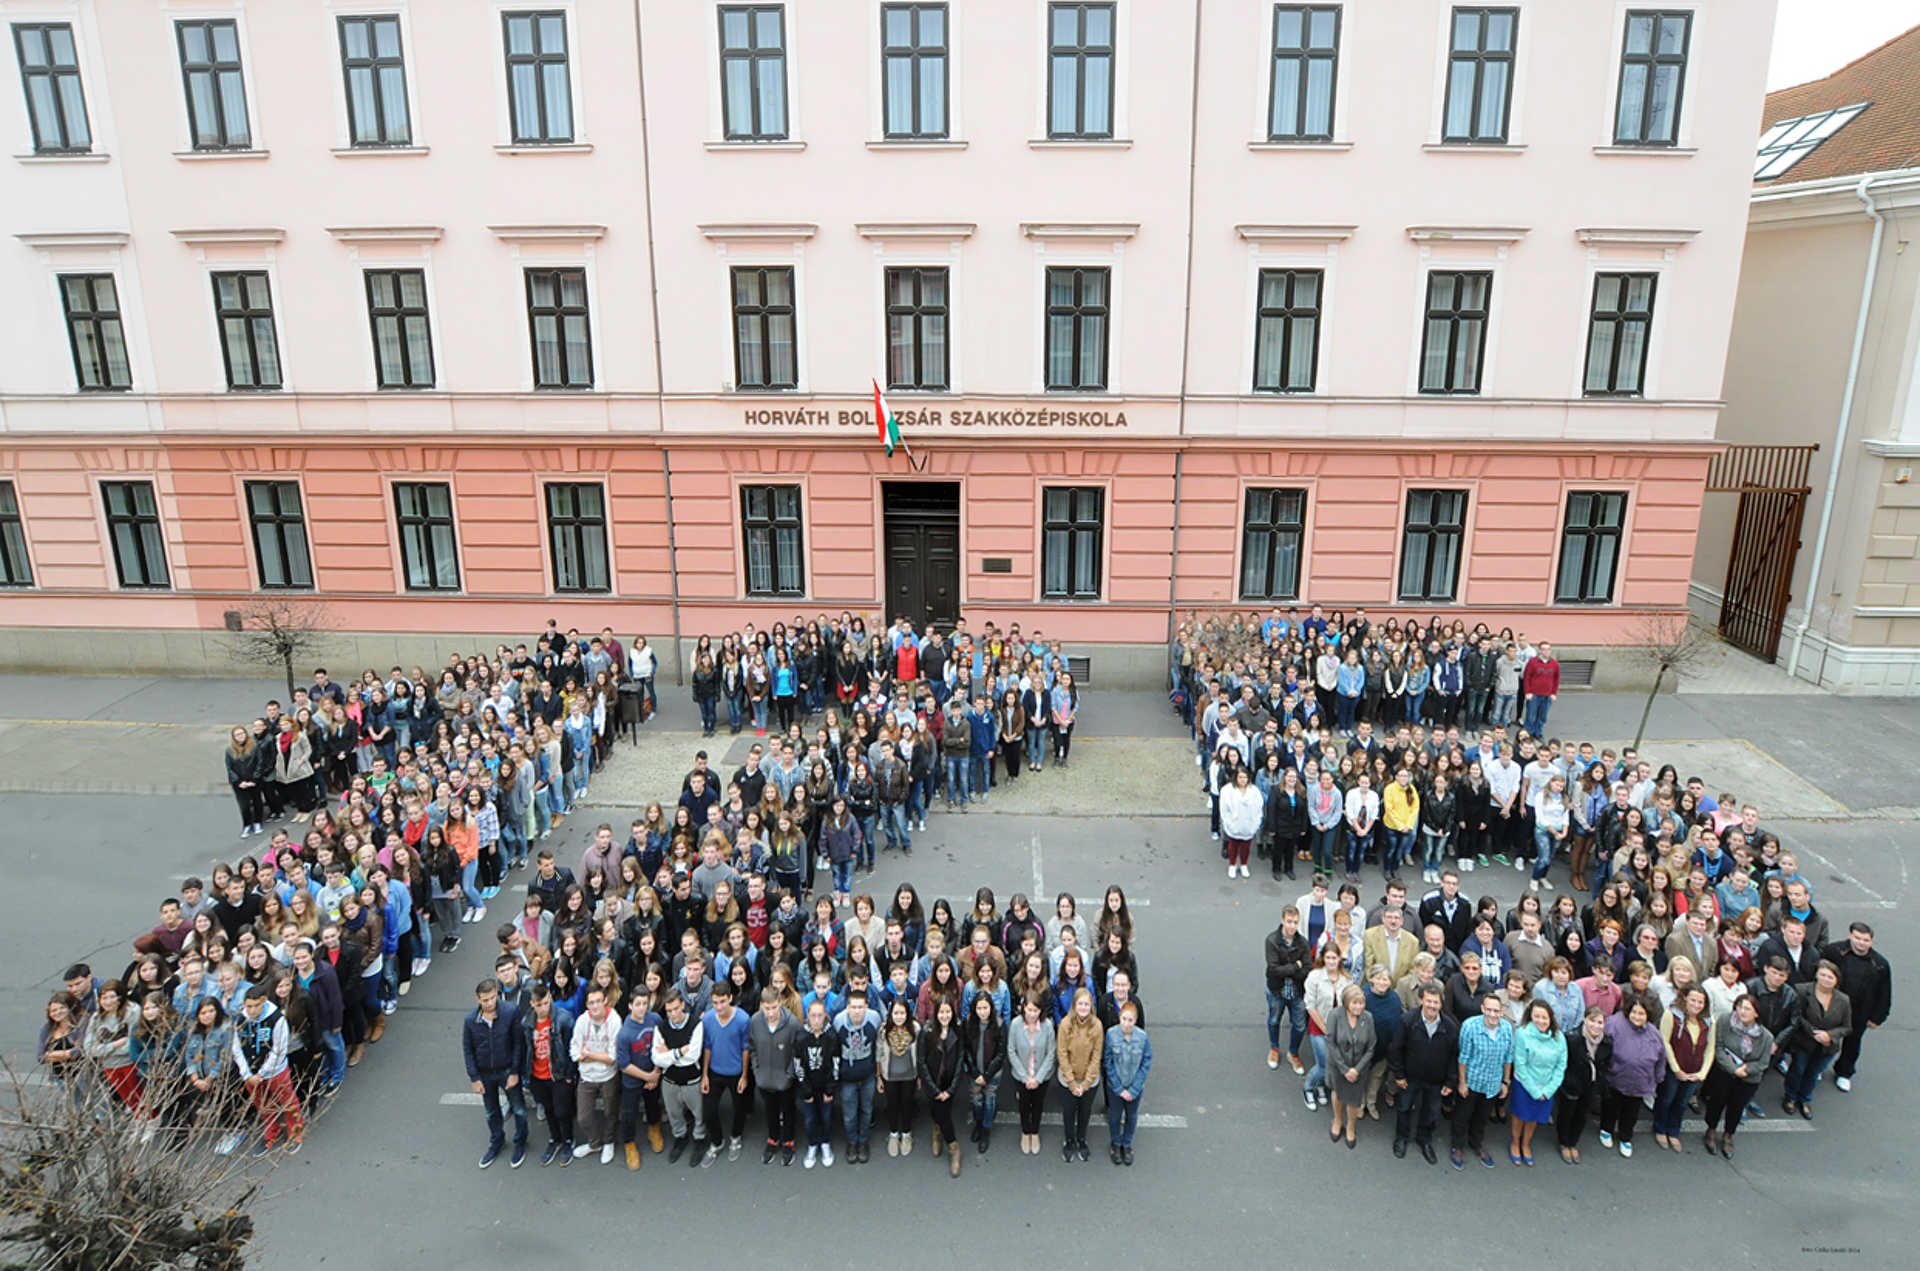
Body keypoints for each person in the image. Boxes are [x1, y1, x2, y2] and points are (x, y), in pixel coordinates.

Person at [462, 976, 527, 1169]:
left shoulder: (511, 1012)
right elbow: (468, 1050)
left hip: (507, 1070)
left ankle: (520, 1141)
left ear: (497, 995)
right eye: (485, 1000)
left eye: (492, 998)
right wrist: (474, 1078)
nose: (490, 1003)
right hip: (485, 1073)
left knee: (519, 1109)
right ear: (478, 1000)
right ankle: (496, 1141)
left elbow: (518, 1044)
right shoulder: (470, 1021)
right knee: (491, 1112)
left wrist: (515, 1072)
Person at [1389, 982, 1457, 1163]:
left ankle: (1424, 1140)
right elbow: (1396, 1049)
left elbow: (1453, 1057)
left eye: (1436, 1002)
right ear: (1421, 1000)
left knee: (1431, 1112)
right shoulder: (1407, 1021)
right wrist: (1399, 1075)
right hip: (1410, 1077)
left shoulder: (1450, 1027)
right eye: (1428, 1001)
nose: (1432, 1006)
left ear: (1441, 1003)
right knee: (1404, 1108)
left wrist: (1450, 1082)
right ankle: (1401, 1138)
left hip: (1436, 1080)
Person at [232, 984, 303, 1156]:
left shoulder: (277, 1019)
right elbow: (236, 1047)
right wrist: (247, 1074)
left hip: (275, 1072)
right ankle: (272, 1130)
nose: (252, 1010)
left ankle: (295, 1132)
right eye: (248, 1006)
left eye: (256, 1006)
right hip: (250, 1074)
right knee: (262, 1104)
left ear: (264, 1002)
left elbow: (279, 1049)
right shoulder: (240, 1019)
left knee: (288, 1102)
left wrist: (262, 1073)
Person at [1821, 922, 1891, 1094]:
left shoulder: (1880, 964)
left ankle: (1844, 1072)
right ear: (1850, 936)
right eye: (1857, 938)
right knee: (1825, 1038)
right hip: (1832, 1006)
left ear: (1871, 941)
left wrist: (1877, 1018)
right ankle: (1818, 1067)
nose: (1861, 943)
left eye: (1865, 940)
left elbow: (1884, 993)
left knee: (1852, 1043)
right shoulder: (1833, 951)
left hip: (1860, 1012)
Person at [1701, 992, 1772, 1158]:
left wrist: (1745, 1070)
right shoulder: (1725, 1021)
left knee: (1736, 1107)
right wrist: (1733, 1069)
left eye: (1748, 1009)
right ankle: (1711, 1130)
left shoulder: (1766, 1036)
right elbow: (1718, 1047)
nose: (1742, 1011)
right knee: (1716, 1102)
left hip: (1748, 1078)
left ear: (1756, 1013)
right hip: (1725, 1072)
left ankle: (1728, 1135)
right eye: (1740, 1007)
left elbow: (1763, 1063)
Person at [1449, 990, 1512, 1170]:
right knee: (1462, 1116)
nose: (1493, 1014)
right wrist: (1462, 1082)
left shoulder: (1507, 1029)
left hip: (1492, 1083)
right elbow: (1463, 1057)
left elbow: (1508, 1058)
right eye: (1489, 1010)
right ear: (1483, 1009)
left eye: (1496, 1011)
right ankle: (1457, 1146)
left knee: (1482, 1117)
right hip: (1472, 1081)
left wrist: (1505, 1082)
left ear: (1501, 1012)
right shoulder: (1470, 1026)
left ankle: (1476, 1143)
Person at [1782, 960, 1851, 1119]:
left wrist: (1829, 1036)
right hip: (1804, 1041)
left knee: (1813, 1073)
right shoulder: (1802, 990)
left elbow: (1847, 1027)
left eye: (1830, 977)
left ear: (1836, 980)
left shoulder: (1843, 1000)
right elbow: (1797, 1016)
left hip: (1828, 1046)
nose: (1826, 979)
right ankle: (1790, 1097)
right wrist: (1815, 1033)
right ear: (1816, 975)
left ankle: (1805, 1099)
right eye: (1823, 975)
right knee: (1798, 1070)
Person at [521, 981, 579, 1166]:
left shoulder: (563, 1019)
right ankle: (555, 1139)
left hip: (559, 1075)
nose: (543, 1008)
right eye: (539, 1005)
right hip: (538, 1075)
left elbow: (572, 1046)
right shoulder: (527, 1023)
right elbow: (526, 1049)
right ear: (532, 1004)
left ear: (550, 999)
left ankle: (568, 1139)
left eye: (546, 1003)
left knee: (563, 1111)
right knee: (549, 1110)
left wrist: (570, 1074)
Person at [1599, 997, 1662, 1158]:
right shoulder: (1614, 1024)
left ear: (1648, 1015)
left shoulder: (1654, 1034)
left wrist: (1658, 1078)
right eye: (1634, 1012)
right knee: (1611, 1106)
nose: (1637, 1016)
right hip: (1616, 1077)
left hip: (1640, 1082)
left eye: (1641, 1013)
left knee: (1631, 1112)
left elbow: (1661, 1058)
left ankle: (1625, 1137)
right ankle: (1606, 1129)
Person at [1508, 1000, 1565, 1166]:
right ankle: (1515, 1142)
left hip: (1547, 1086)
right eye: (1536, 1017)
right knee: (1520, 1116)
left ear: (1551, 1018)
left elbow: (1561, 1066)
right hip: (1525, 1084)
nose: (1541, 1021)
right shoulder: (1523, 1033)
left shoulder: (1559, 1037)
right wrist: (1534, 1090)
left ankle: (1526, 1144)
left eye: (1544, 1017)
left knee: (1533, 1118)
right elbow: (1520, 1065)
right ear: (1530, 1017)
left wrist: (1548, 1090)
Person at [748, 988, 801, 1165]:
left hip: (785, 1081)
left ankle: (788, 1141)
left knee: (788, 1112)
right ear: (761, 1006)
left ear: (780, 1003)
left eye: (774, 1007)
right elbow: (752, 1048)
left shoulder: (793, 1023)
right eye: (767, 1008)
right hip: (764, 1079)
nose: (770, 1013)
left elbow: (797, 1053)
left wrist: (789, 1075)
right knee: (770, 1111)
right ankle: (773, 1139)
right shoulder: (755, 1021)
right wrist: (757, 1071)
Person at [1556, 1006, 1611, 1164]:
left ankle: (1573, 1142)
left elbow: (1605, 1066)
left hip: (1591, 1086)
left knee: (1581, 1116)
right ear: (1585, 1020)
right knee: (1566, 1115)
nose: (1596, 1025)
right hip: (1572, 1084)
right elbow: (1564, 1062)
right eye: (1592, 1020)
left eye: (1600, 1022)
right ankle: (1563, 1142)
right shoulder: (1572, 1038)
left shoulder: (1607, 1043)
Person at [1056, 986, 1103, 1163]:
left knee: (1085, 1112)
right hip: (1068, 1080)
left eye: (1087, 1004)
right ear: (1074, 1005)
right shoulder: (1065, 1025)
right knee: (1069, 1112)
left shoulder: (1097, 1026)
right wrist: (1072, 1083)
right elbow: (1062, 1054)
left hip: (1089, 1080)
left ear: (1091, 1006)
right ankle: (1069, 1141)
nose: (1083, 1007)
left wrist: (1085, 1084)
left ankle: (1081, 1140)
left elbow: (1096, 1056)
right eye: (1080, 1004)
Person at [1325, 984, 1375, 1149]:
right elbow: (1331, 1043)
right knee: (1337, 1093)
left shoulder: (1368, 1018)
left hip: (1359, 1068)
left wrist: (1356, 1069)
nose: (1358, 1007)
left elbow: (1371, 1046)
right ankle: (1338, 1120)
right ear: (1346, 1003)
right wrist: (1344, 1069)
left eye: (1361, 1003)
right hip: (1338, 1065)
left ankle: (1351, 1127)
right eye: (1354, 1003)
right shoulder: (1335, 1015)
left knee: (1354, 1100)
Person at [835, 988, 881, 1163]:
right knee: (849, 1114)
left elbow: (878, 1044)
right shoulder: (839, 1021)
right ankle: (852, 1142)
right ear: (847, 1007)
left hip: (868, 1075)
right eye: (853, 1007)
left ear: (866, 1007)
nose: (857, 1011)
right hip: (847, 1078)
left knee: (867, 1110)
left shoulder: (874, 1018)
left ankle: (863, 1142)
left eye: (860, 1007)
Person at [1102, 998, 1151, 1166]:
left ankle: (1127, 1144)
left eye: (1130, 1020)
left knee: (1131, 1117)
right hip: (1116, 1089)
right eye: (1124, 1019)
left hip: (1134, 1088)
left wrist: (1134, 1089)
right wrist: (1118, 1088)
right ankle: (1116, 1143)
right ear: (1119, 1017)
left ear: (1135, 1021)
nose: (1127, 1024)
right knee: (1115, 1117)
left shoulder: (1142, 1038)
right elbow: (1107, 1061)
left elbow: (1146, 1062)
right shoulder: (1111, 1034)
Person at [794, 998, 840, 1169]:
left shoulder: (831, 1036)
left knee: (826, 1117)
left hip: (825, 1087)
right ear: (808, 1016)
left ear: (825, 1016)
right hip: (808, 1088)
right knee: (810, 1118)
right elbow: (798, 1065)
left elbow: (836, 1064)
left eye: (820, 1016)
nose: (816, 1020)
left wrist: (830, 1089)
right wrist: (806, 1091)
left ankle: (825, 1143)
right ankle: (813, 1144)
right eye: (813, 1016)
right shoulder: (800, 1037)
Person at [1008, 996, 1057, 1155]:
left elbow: (1051, 1053)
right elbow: (1011, 1051)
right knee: (1023, 1104)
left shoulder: (1047, 1025)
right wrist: (1025, 1077)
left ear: (1040, 1011)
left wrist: (1038, 1078)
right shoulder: (1015, 1024)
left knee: (1037, 1104)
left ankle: (1034, 1132)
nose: (1032, 1014)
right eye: (1029, 1009)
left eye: (1035, 1010)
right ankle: (1025, 1132)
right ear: (1023, 1009)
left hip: (1041, 1076)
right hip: (1021, 1075)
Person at [1264, 906, 1310, 1074]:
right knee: (1274, 1020)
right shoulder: (1272, 941)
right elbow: (1273, 970)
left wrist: (1291, 970)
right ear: (1283, 920)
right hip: (1277, 990)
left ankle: (1293, 1053)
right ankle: (1274, 1048)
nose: (1292, 926)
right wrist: (1294, 966)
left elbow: (1307, 969)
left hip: (1297, 991)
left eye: (1295, 922)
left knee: (1299, 1025)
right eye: (1289, 922)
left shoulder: (1302, 943)